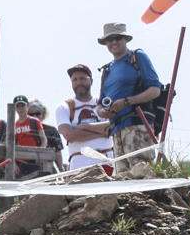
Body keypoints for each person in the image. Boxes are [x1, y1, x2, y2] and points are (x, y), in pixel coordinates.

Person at [95, 22, 163, 174]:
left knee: (141, 172)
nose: (113, 42)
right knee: (122, 176)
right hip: (116, 129)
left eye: (117, 37)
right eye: (109, 39)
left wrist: (127, 102)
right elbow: (99, 105)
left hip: (137, 124)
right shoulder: (107, 70)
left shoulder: (137, 57)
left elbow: (155, 90)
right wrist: (103, 112)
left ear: (125, 39)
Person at [55, 64, 112, 172]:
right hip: (79, 162)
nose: (79, 82)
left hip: (106, 159)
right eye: (75, 79)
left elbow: (113, 127)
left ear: (91, 80)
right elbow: (69, 135)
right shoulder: (64, 107)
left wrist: (85, 126)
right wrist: (103, 131)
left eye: (83, 79)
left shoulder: (103, 103)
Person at [9, 95, 47, 177]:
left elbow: (43, 139)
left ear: (28, 106)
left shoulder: (34, 121)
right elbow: (12, 145)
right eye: (18, 106)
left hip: (34, 160)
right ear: (14, 108)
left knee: (36, 184)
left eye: (22, 105)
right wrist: (14, 163)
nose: (20, 108)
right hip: (20, 162)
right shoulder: (13, 125)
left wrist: (40, 155)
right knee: (19, 186)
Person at [29, 100, 64, 171]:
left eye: (38, 113)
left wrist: (60, 168)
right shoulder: (22, 130)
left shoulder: (51, 130)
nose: (35, 116)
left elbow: (57, 151)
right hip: (27, 167)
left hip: (47, 168)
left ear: (43, 114)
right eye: (31, 114)